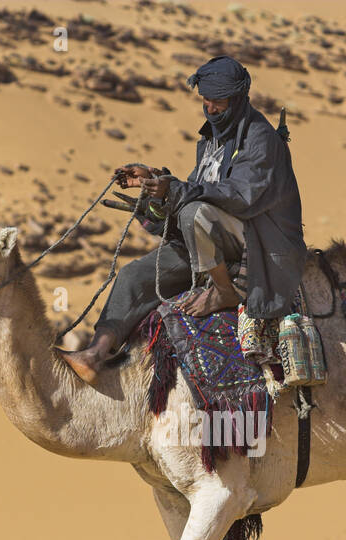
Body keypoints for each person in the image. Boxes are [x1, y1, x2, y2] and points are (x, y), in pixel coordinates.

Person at [61, 54, 307, 384]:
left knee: (194, 212)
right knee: (134, 275)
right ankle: (95, 353)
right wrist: (155, 186)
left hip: (258, 241)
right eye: (205, 101)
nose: (211, 109)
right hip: (213, 237)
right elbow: (197, 188)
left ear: (237, 99)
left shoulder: (261, 139)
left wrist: (177, 191)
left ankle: (224, 290)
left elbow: (240, 196)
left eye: (218, 102)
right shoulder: (211, 140)